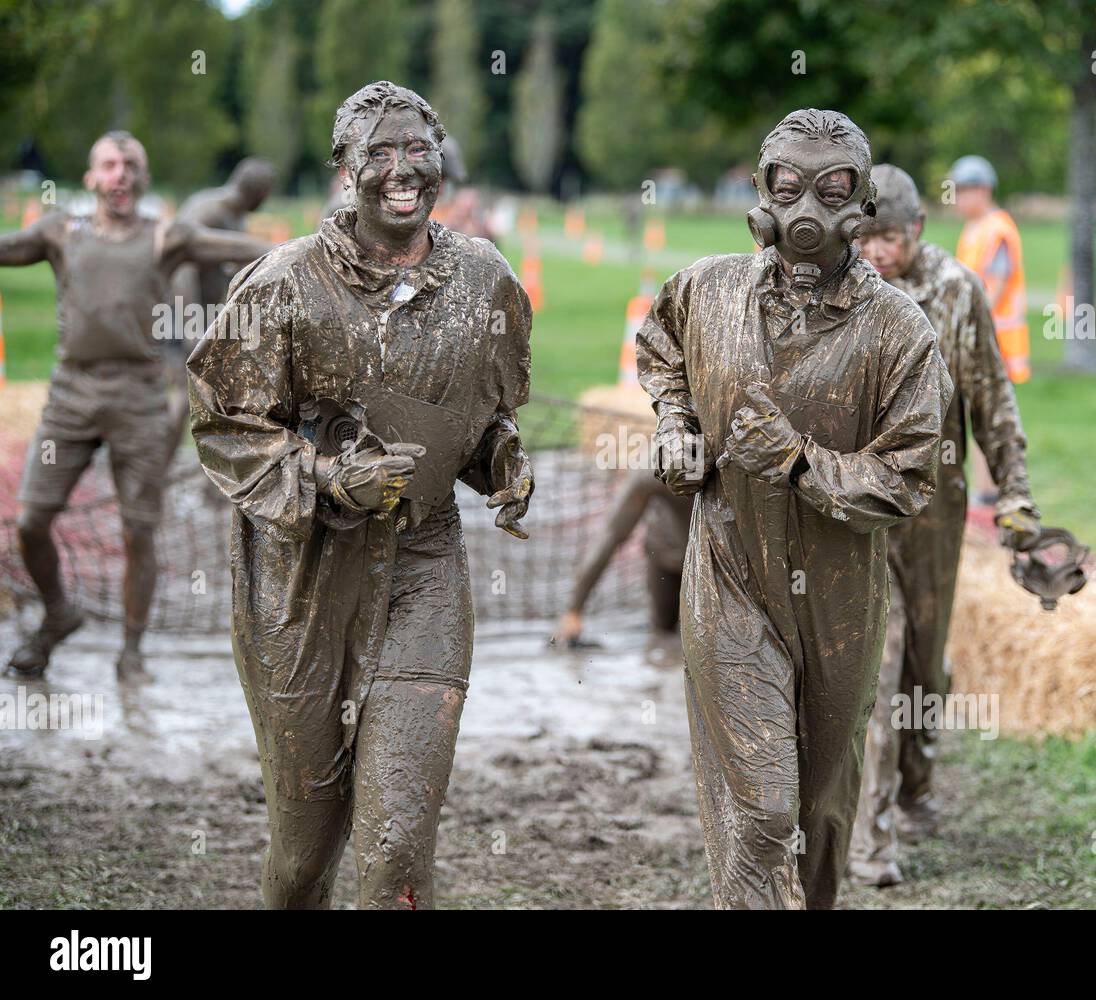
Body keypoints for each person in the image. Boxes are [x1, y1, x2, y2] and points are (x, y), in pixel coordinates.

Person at [188, 81, 533, 910]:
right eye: (378, 153)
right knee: (306, 853)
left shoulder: (484, 281)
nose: (402, 169)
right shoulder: (284, 284)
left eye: (417, 149)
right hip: (302, 581)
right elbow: (223, 423)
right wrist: (326, 477)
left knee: (396, 844)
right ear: (345, 168)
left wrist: (505, 464)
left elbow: (485, 420)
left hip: (424, 567)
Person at [636, 109, 952, 909]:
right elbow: (661, 345)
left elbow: (909, 476)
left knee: (821, 811)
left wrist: (799, 461)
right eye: (788, 185)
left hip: (841, 594)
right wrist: (677, 426)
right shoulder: (706, 289)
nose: (805, 206)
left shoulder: (898, 330)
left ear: (863, 201)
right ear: (761, 191)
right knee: (764, 810)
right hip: (730, 575)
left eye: (831, 188)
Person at [0, 131, 272, 680]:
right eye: (109, 165)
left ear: (142, 179)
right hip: (70, 397)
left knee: (137, 530)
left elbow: (243, 249)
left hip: (140, 398)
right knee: (31, 522)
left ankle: (131, 651)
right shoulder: (61, 232)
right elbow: (7, 247)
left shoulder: (165, 236)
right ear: (91, 178)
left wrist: (321, 246)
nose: (120, 174)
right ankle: (58, 612)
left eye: (130, 165)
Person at [855, 164, 1041, 886]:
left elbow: (994, 404)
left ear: (919, 231)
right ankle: (872, 840)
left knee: (924, 665)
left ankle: (918, 782)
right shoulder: (843, 290)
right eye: (865, 237)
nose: (876, 253)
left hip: (936, 508)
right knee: (880, 658)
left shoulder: (956, 294)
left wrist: (1018, 498)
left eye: (890, 238)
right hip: (862, 506)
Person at [166, 158, 276, 461]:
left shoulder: (234, 215)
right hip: (182, 315)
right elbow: (181, 265)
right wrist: (191, 326)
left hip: (209, 318)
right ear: (260, 193)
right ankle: (156, 470)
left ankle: (214, 469)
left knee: (219, 396)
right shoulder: (208, 210)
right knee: (183, 394)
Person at [552, 471, 691, 646]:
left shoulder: (727, 458)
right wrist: (574, 610)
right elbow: (610, 536)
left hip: (719, 553)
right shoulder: (653, 468)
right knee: (663, 631)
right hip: (668, 554)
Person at [950, 155, 1030, 385]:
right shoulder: (974, 227)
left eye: (962, 191)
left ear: (983, 190)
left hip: (996, 338)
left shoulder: (998, 229)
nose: (956, 198)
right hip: (979, 334)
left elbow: (998, 284)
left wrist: (972, 320)